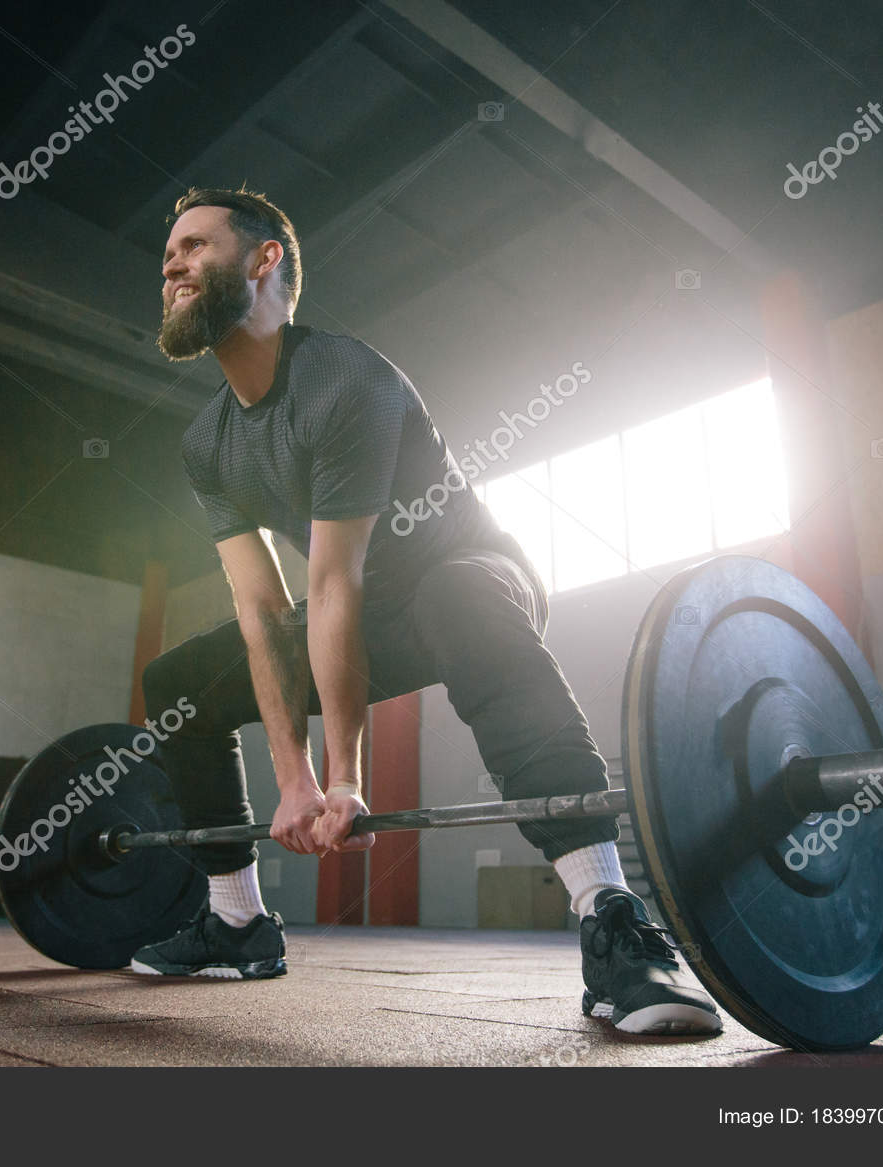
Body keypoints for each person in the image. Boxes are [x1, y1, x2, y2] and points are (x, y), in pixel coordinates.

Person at [127, 186, 720, 1035]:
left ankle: (614, 916)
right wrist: (292, 781)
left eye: (195, 245)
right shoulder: (207, 442)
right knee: (178, 676)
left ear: (264, 262)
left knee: (454, 595)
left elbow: (334, 584)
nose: (171, 263)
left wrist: (343, 779)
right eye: (168, 254)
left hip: (470, 572)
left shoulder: (344, 377)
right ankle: (236, 919)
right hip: (366, 611)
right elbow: (264, 608)